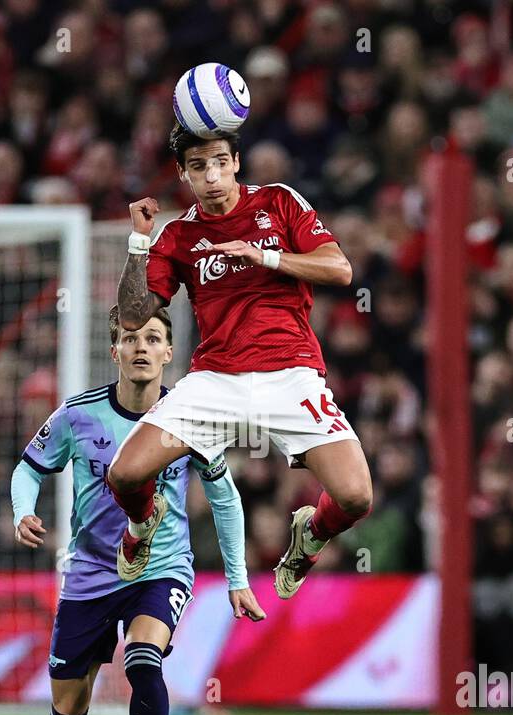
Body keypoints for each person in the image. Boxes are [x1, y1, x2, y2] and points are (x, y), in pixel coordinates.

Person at [11, 303, 264, 715]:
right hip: (90, 574)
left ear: (170, 353)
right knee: (67, 713)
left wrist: (238, 578)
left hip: (161, 568)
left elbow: (224, 497)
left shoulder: (191, 419)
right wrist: (22, 511)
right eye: (132, 339)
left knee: (144, 659)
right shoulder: (77, 414)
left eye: (154, 338)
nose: (143, 347)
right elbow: (29, 467)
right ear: (115, 352)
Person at [108, 123, 372, 602]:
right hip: (215, 380)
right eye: (197, 166)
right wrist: (139, 242)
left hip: (291, 374)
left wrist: (267, 258)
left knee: (356, 496)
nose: (211, 176)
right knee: (124, 475)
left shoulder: (278, 202)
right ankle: (145, 520)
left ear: (235, 163)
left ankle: (310, 535)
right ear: (184, 174)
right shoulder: (180, 235)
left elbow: (339, 268)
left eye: (219, 163)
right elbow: (131, 315)